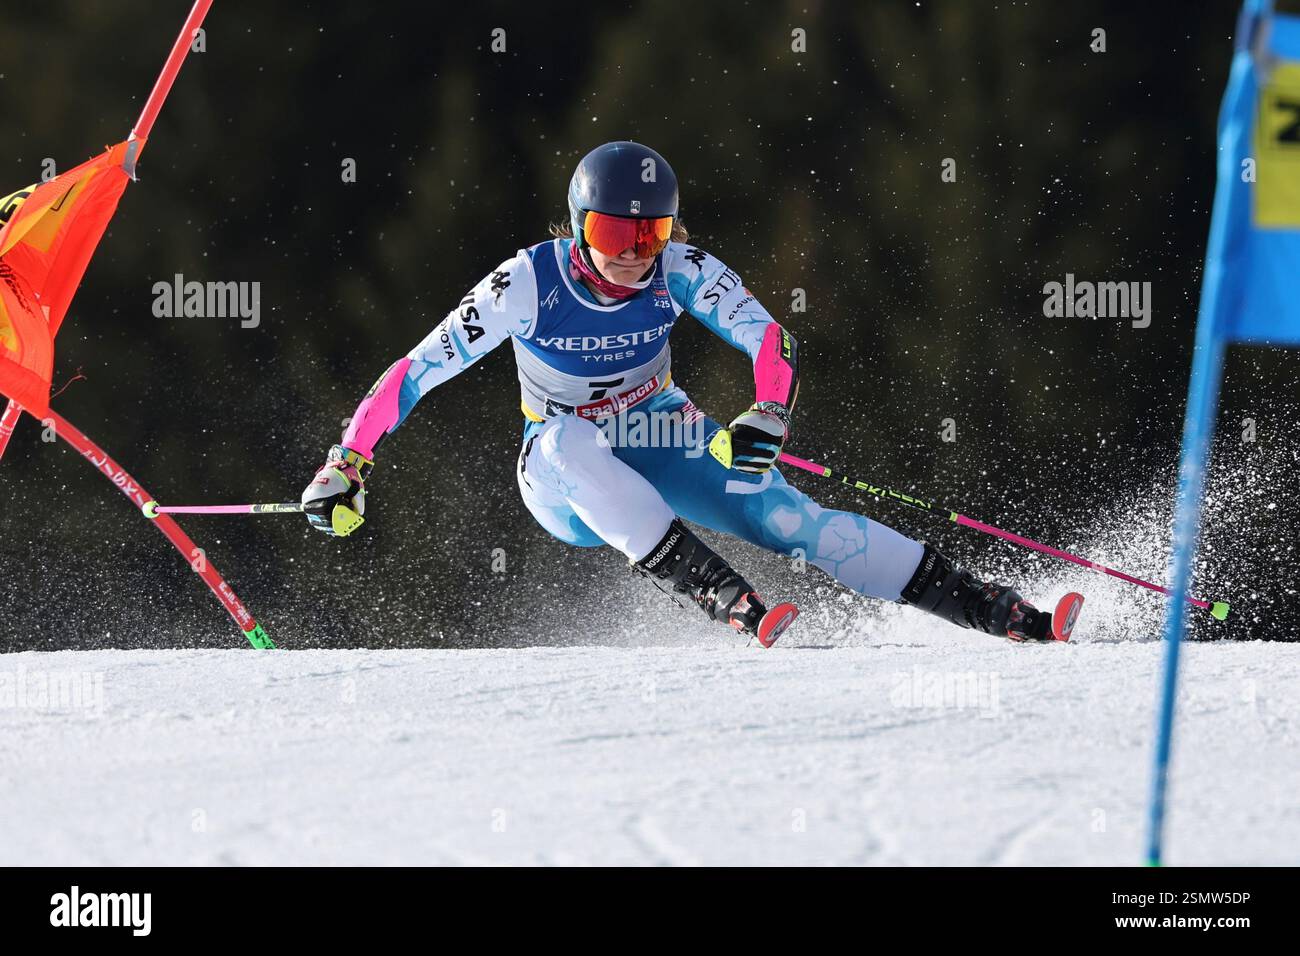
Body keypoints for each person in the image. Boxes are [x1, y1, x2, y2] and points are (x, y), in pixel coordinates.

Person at [302, 141, 1060, 646]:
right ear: (576, 227)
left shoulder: (682, 269)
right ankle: (709, 588)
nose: (633, 254)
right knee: (570, 440)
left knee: (787, 514)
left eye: (651, 234)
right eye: (612, 233)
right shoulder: (525, 283)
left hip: (658, 431)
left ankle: (985, 607)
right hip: (561, 471)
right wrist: (350, 459)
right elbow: (416, 370)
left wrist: (766, 411)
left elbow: (772, 340)